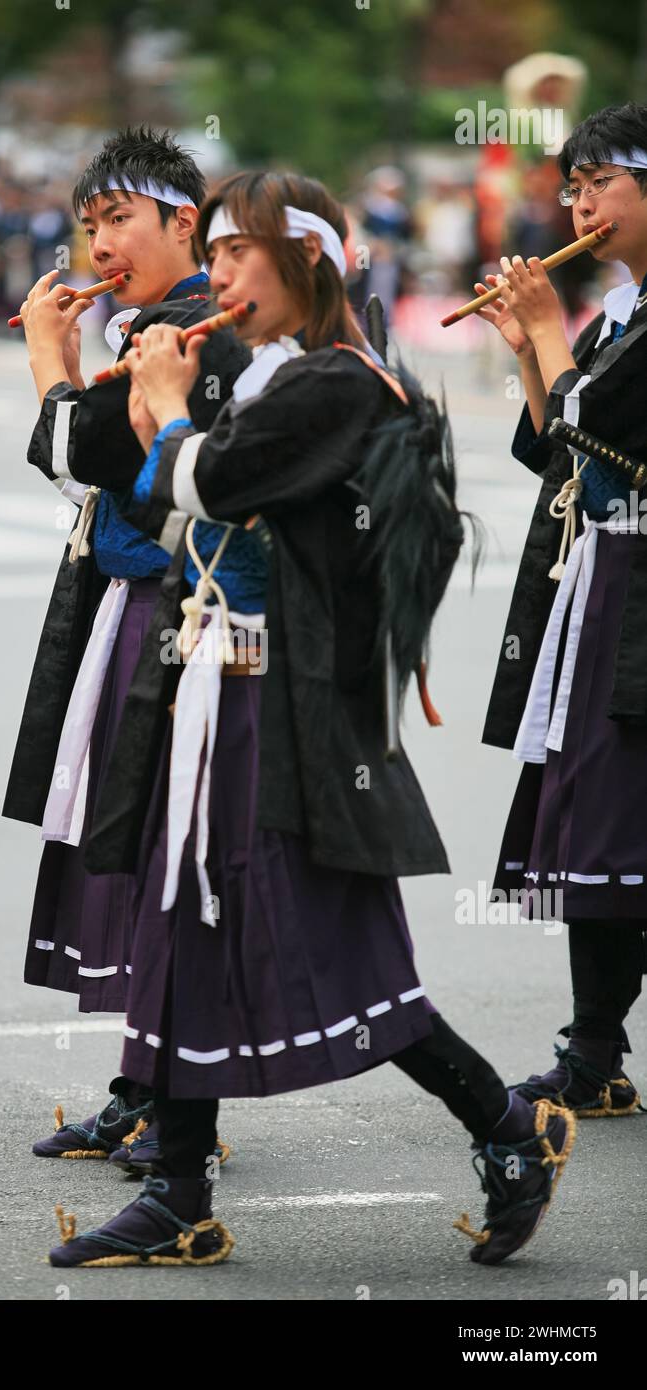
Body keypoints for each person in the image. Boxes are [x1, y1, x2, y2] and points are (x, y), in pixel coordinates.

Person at [47, 171, 577, 1272]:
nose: (222, 275)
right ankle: (180, 1197)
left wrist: (160, 406)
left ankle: (506, 1125)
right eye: (222, 253)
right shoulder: (268, 371)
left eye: (240, 254)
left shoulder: (338, 382)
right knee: (177, 923)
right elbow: (143, 484)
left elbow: (206, 480)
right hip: (212, 684)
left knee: (335, 949)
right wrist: (132, 401)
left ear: (306, 266)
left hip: (287, 709)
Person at [2, 127, 249, 1170]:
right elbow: (91, 474)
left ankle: (176, 1109)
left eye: (118, 219)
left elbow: (88, 452)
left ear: (180, 221)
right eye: (88, 222)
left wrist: (51, 366)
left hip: (179, 620)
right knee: (123, 849)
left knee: (160, 853)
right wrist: (73, 376)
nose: (99, 241)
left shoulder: (203, 325)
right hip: (129, 609)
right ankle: (141, 1088)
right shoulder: (155, 322)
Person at [477, 103, 647, 1118]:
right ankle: (592, 1051)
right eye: (570, 187)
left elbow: (604, 422)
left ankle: (592, 1050)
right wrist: (525, 346)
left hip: (638, 585)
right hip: (605, 579)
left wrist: (546, 331)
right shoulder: (619, 310)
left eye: (600, 183)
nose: (577, 204)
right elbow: (559, 447)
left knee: (622, 812)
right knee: (594, 813)